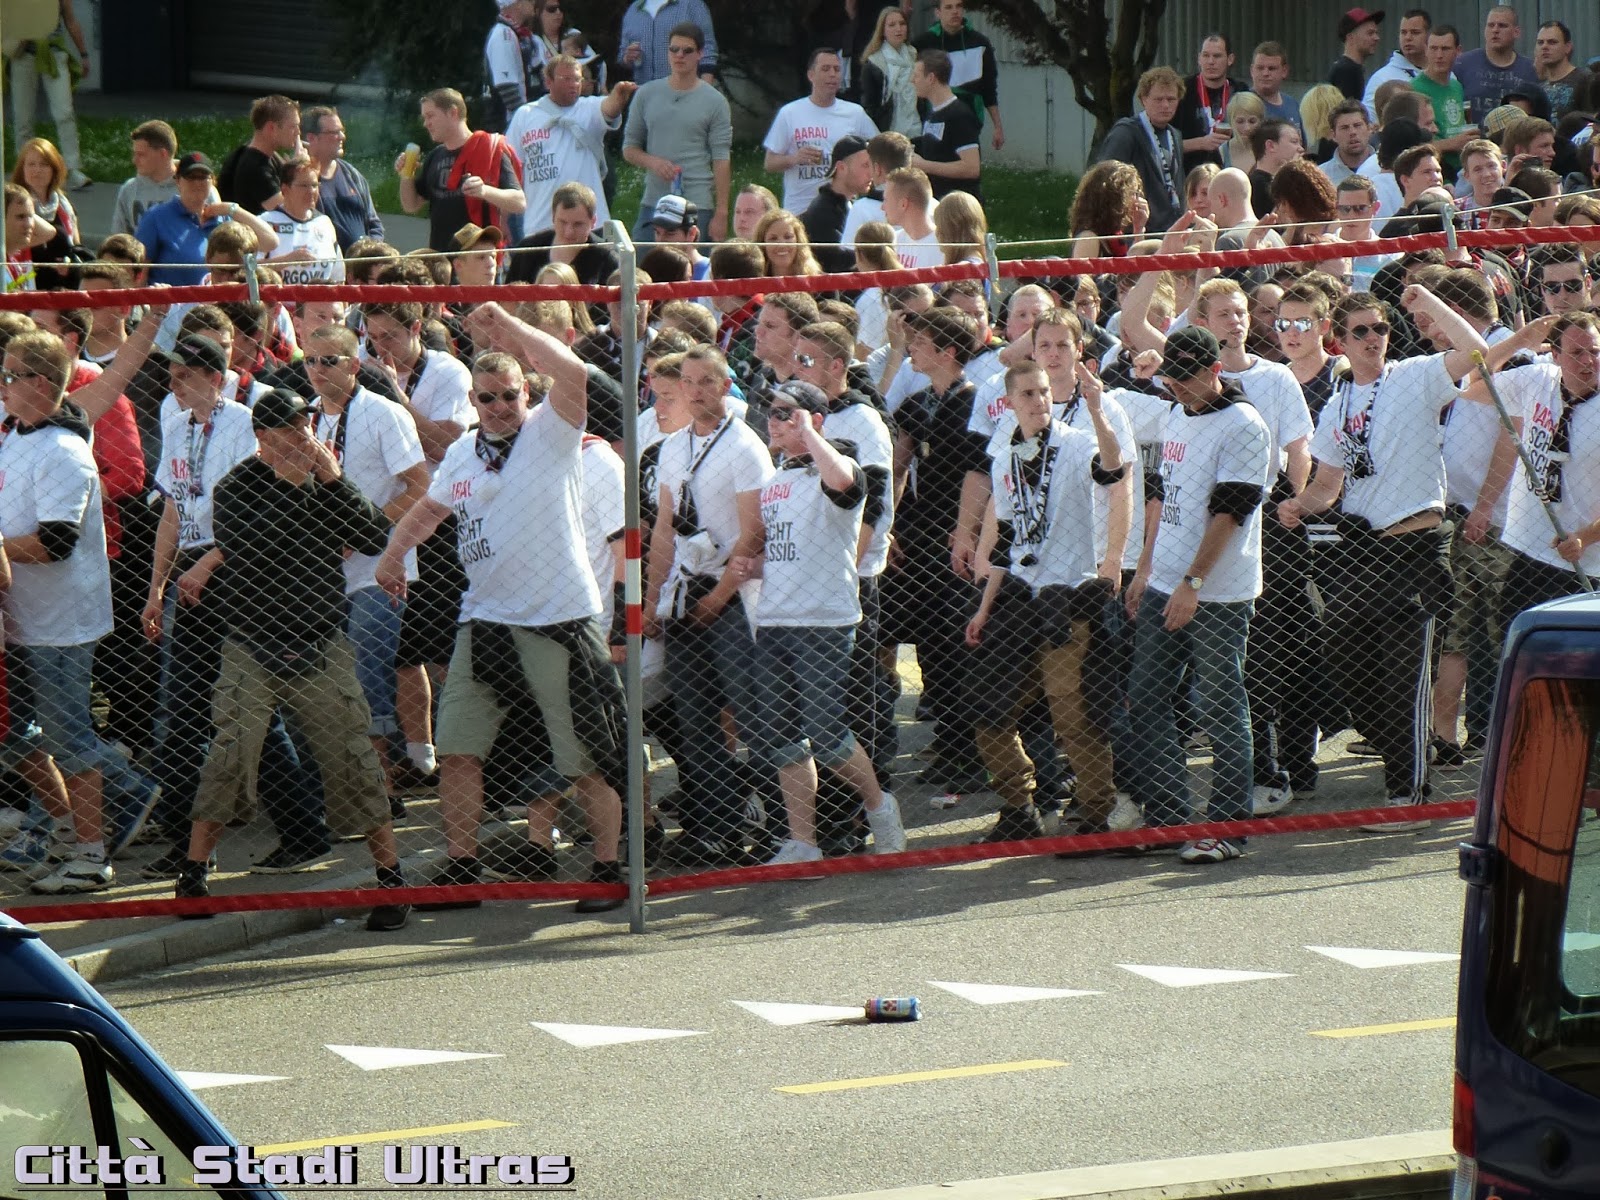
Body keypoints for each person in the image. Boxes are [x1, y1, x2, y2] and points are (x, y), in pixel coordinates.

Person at [167, 387, 409, 929]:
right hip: (252, 645)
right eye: (290, 430)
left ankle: (390, 879)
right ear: (264, 437)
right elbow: (256, 544)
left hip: (321, 643)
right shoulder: (238, 488)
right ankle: (194, 870)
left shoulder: (328, 485)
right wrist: (294, 485)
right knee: (231, 752)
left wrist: (332, 481)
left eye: (306, 426)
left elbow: (372, 536)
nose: (303, 438)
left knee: (353, 756)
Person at [1277, 286, 1487, 830]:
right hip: (1360, 554)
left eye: (1382, 329)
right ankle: (1398, 768)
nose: (1374, 339)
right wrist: (1298, 505)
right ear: (1339, 340)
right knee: (1354, 676)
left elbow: (1475, 349)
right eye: (1361, 331)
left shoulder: (1414, 377)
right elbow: (1327, 483)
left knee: (1403, 679)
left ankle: (1407, 795)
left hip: (1415, 546)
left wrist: (1429, 304)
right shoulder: (1339, 400)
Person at [729, 380, 906, 865]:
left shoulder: (842, 466)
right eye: (773, 412)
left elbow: (847, 487)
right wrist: (755, 566)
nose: (776, 420)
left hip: (824, 621)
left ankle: (879, 807)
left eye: (788, 413)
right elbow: (792, 550)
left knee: (827, 734)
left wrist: (809, 432)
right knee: (783, 736)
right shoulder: (775, 481)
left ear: (816, 420)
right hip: (775, 620)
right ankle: (802, 842)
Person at [966, 355, 1130, 843]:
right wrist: (983, 606)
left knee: (1073, 714)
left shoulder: (1077, 443)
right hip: (1018, 597)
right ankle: (1020, 804)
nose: (1038, 402)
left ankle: (1096, 810)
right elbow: (1005, 543)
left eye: (1043, 392)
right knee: (990, 711)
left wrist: (1098, 410)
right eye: (1027, 395)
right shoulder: (1005, 458)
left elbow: (1113, 468)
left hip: (1069, 596)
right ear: (1009, 403)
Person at [1123, 326, 1272, 862]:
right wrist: (1145, 568)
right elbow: (1161, 494)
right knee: (1146, 698)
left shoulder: (1244, 424)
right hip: (1164, 579)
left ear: (1214, 371)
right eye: (1171, 376)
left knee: (1219, 704)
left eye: (1187, 377)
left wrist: (1192, 583)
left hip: (1218, 589)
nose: (1178, 387)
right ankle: (1168, 817)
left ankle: (1228, 828)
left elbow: (1231, 511)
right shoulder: (1171, 414)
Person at [642, 342, 774, 863]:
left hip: (734, 595)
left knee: (751, 714)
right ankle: (714, 828)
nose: (695, 393)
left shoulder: (744, 446)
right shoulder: (673, 447)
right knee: (695, 718)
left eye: (705, 383)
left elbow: (754, 530)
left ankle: (778, 824)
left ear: (725, 385)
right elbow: (663, 531)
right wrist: (653, 599)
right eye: (687, 384)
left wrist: (719, 597)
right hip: (684, 591)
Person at [622, 23, 732, 243]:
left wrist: (721, 213)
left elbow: (721, 158)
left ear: (700, 54)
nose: (679, 55)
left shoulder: (715, 101)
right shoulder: (646, 94)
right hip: (654, 200)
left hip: (697, 202)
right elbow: (629, 149)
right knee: (644, 269)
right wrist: (653, 162)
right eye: (674, 49)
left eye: (687, 50)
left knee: (695, 272)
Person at [506, 55, 636, 232]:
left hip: (588, 225)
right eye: (566, 79)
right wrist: (505, 217)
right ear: (548, 82)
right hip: (540, 225)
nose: (574, 84)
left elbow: (609, 109)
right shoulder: (525, 115)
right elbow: (511, 167)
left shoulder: (589, 107)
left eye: (577, 79)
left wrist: (619, 96)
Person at [398, 88, 526, 255]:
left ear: (453, 112)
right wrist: (406, 175)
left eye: (430, 116)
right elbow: (410, 205)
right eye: (424, 118)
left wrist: (484, 191)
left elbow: (519, 202)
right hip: (441, 262)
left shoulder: (491, 150)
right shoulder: (434, 156)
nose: (425, 123)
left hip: (479, 260)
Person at [134, 153, 280, 287]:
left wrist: (233, 209)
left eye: (203, 177)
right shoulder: (157, 217)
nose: (197, 183)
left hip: (221, 308)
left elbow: (270, 242)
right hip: (173, 310)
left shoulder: (225, 220)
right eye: (191, 177)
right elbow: (140, 271)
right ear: (178, 181)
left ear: (213, 181)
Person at [763, 49, 879, 216]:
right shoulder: (790, 113)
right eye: (825, 69)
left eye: (837, 69)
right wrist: (795, 158)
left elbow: (879, 149)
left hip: (842, 208)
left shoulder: (854, 113)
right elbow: (770, 163)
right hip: (800, 209)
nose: (832, 74)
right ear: (811, 75)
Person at [6, 0, 91, 191]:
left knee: (64, 112)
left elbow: (70, 20)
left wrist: (83, 54)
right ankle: (24, 171)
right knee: (23, 117)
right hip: (22, 55)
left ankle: (73, 169)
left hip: (53, 53)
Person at [1094, 67, 1185, 234]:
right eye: (1158, 99)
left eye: (1171, 99)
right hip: (1136, 230)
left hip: (1170, 227)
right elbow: (1105, 181)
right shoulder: (1126, 132)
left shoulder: (1175, 134)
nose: (1165, 105)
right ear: (1144, 99)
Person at [912, 0, 1003, 150]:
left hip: (968, 117)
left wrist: (998, 126)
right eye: (948, 7)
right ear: (938, 12)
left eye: (959, 6)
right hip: (933, 117)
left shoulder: (979, 43)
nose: (955, 11)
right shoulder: (923, 43)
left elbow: (989, 88)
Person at [302, 106, 384, 253]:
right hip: (324, 267)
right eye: (334, 132)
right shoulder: (300, 179)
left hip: (361, 268)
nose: (342, 137)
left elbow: (374, 223)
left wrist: (370, 253)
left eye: (342, 131)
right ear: (311, 138)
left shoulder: (352, 175)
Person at [909, 48, 983, 203]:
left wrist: (924, 165)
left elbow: (972, 168)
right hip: (938, 202)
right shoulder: (932, 113)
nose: (912, 80)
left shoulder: (960, 115)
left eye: (916, 75)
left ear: (931, 78)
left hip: (958, 206)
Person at [10, 138, 78, 291]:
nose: (37, 170)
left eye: (44, 164)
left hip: (64, 289)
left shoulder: (64, 206)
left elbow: (75, 246)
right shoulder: (14, 206)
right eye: (31, 164)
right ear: (22, 169)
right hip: (25, 286)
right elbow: (11, 246)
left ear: (55, 169)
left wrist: (69, 263)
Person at [262, 158, 344, 285]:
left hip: (320, 302)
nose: (311, 191)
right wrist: (286, 260)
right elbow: (247, 269)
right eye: (304, 186)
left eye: (315, 185)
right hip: (281, 303)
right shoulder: (266, 221)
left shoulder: (324, 223)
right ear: (285, 189)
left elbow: (339, 278)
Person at [1175, 33, 1248, 175]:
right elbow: (1165, 144)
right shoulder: (1181, 90)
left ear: (1230, 59)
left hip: (1231, 174)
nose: (1210, 61)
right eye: (1206, 55)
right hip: (1190, 177)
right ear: (1199, 58)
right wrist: (1201, 143)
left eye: (1217, 56)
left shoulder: (1240, 91)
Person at [1454, 5, 1539, 125]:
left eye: (1502, 25)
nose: (1495, 30)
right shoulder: (1463, 64)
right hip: (1474, 140)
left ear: (1516, 32)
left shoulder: (1530, 70)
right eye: (1490, 25)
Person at [218, 95, 300, 216]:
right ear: (271, 128)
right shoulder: (255, 167)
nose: (298, 132)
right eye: (293, 126)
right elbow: (292, 210)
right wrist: (301, 169)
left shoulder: (269, 156)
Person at [1412, 26, 1478, 172]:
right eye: (1433, 48)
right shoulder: (1413, 90)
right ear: (1426, 50)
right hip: (1434, 170)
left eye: (1445, 49)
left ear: (1458, 51)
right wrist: (1452, 143)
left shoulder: (1457, 86)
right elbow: (1411, 147)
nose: (1439, 55)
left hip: (1462, 169)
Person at [618, 0, 719, 86]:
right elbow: (623, 56)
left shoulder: (692, 5)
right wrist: (627, 57)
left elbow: (708, 50)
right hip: (644, 95)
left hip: (684, 94)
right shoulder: (633, 10)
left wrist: (705, 94)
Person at [111, 120, 184, 238]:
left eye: (141, 155)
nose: (134, 160)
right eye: (134, 154)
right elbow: (118, 239)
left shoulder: (196, 188)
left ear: (163, 154)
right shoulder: (129, 190)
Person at [859, 6, 920, 139]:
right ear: (883, 31)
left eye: (902, 24)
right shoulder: (874, 63)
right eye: (892, 25)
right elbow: (870, 105)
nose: (898, 29)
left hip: (916, 127)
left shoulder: (914, 55)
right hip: (886, 130)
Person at [1363, 8, 1431, 119]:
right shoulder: (1382, 78)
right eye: (1403, 32)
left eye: (1415, 32)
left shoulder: (1444, 74)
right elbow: (1370, 121)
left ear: (1428, 35)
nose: (1408, 38)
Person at [483, 0, 539, 132]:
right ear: (517, 4)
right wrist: (526, 121)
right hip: (508, 124)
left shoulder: (518, 34)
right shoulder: (503, 35)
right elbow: (506, 86)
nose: (534, 2)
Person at [1533, 21, 1592, 122]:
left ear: (1567, 47)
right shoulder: (1538, 88)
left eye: (1552, 42)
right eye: (1540, 42)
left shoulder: (1586, 80)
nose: (1544, 47)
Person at [1248, 120, 1305, 218]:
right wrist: (1291, 173)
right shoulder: (1257, 185)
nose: (1301, 149)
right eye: (1294, 142)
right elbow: (1280, 222)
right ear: (1271, 146)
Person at [1330, 8, 1384, 101]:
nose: (1376, 38)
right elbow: (1348, 112)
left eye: (1376, 33)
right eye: (1370, 33)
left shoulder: (1351, 68)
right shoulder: (1347, 70)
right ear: (1350, 37)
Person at [1251, 42, 1303, 135]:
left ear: (1284, 71)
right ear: (1252, 70)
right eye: (1260, 68)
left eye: (1271, 68)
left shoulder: (1292, 104)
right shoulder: (1241, 105)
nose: (1265, 73)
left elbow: (1303, 146)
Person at [1321, 100, 1376, 185]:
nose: (1352, 132)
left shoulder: (1384, 169)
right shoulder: (1322, 176)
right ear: (1333, 135)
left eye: (1357, 125)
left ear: (1369, 129)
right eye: (1344, 128)